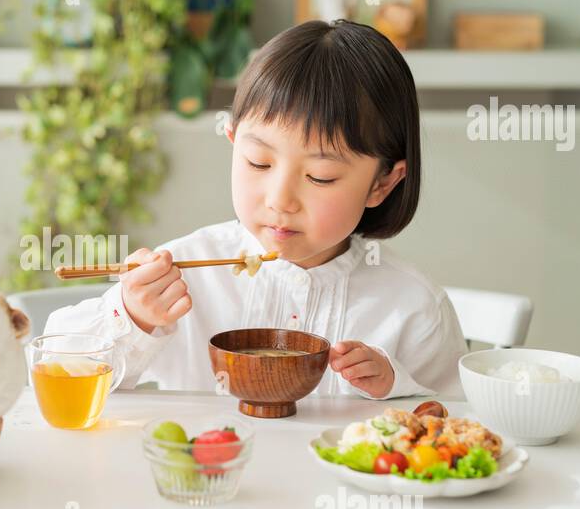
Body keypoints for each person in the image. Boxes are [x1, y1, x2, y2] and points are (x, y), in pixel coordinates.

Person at [44, 20, 467, 398]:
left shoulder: (412, 307)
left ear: (383, 183)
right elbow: (57, 367)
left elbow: (455, 422)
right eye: (258, 163)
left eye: (320, 176)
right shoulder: (185, 273)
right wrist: (133, 317)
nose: (279, 200)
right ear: (231, 140)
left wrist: (397, 386)